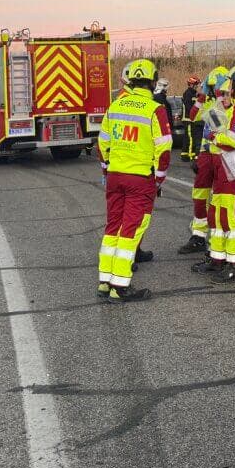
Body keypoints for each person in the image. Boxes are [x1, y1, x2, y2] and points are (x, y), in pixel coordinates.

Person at [96, 59, 172, 303]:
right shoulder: (154, 109)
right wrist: (159, 179)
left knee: (112, 228)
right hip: (140, 179)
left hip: (115, 177)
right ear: (152, 81)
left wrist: (107, 168)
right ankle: (121, 286)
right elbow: (165, 148)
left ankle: (105, 282)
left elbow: (102, 143)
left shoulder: (115, 106)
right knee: (130, 231)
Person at [194, 63, 235, 283]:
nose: (227, 87)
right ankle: (217, 259)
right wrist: (211, 107)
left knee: (229, 217)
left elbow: (231, 140)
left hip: (234, 166)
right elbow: (206, 118)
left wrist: (213, 136)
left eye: (231, 83)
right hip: (224, 166)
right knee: (217, 214)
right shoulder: (232, 106)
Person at [178, 66, 228, 254]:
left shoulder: (230, 103)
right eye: (211, 87)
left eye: (216, 87)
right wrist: (201, 97)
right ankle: (198, 237)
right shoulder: (209, 101)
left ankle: (218, 244)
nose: (213, 91)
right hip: (206, 154)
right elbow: (193, 116)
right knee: (199, 196)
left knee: (219, 200)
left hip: (223, 156)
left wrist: (220, 100)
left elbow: (220, 125)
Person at [179, 75, 201, 160]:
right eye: (196, 85)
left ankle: (185, 154)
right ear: (192, 84)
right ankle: (190, 155)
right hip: (188, 119)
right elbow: (189, 107)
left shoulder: (193, 93)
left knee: (189, 137)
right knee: (190, 138)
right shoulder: (188, 93)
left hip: (191, 119)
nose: (197, 86)